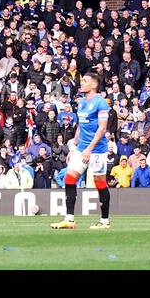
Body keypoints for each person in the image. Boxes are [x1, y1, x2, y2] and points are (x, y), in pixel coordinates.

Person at [52, 71, 112, 230]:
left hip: (97, 150)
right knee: (69, 178)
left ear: (94, 84)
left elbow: (102, 128)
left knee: (100, 182)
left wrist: (89, 149)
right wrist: (74, 148)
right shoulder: (82, 102)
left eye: (85, 81)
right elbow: (80, 126)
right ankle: (69, 219)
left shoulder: (101, 103)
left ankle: (105, 221)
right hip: (81, 148)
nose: (82, 83)